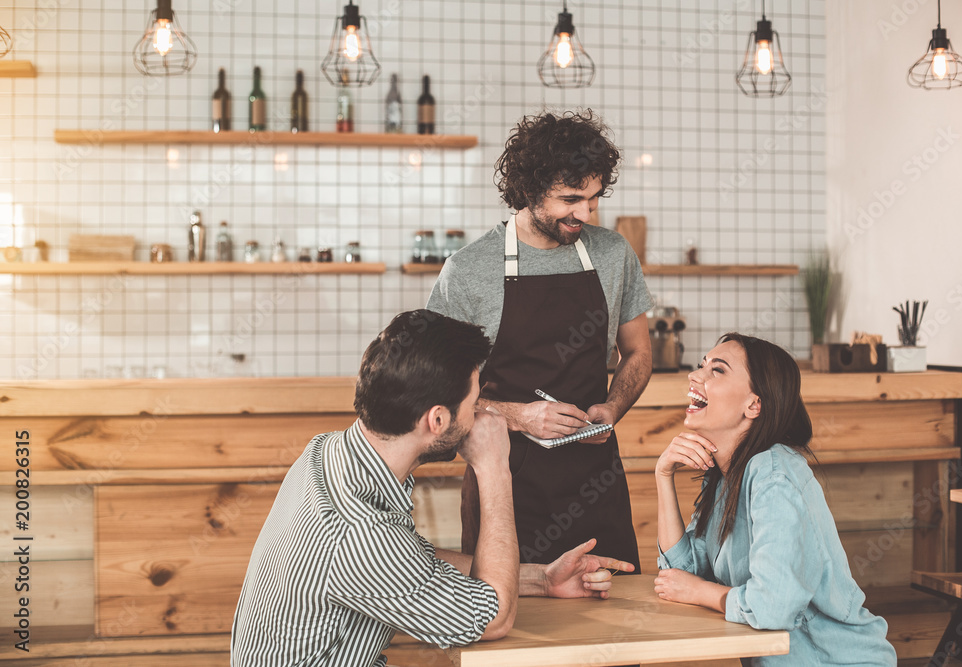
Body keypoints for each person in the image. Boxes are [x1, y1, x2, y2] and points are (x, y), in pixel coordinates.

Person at [231, 310, 633, 667]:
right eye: (476, 404)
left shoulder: (327, 452)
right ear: (437, 420)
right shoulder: (361, 534)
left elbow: (410, 561)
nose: (483, 415)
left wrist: (542, 579)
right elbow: (493, 620)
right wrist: (494, 469)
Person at [427, 110, 653, 569]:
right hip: (504, 482)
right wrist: (520, 416)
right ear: (528, 191)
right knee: (510, 619)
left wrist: (612, 408)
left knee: (613, 612)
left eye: (592, 199)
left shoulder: (613, 254)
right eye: (570, 199)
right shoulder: (469, 271)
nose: (584, 213)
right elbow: (435, 394)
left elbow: (638, 352)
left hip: (595, 480)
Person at [653, 333, 896, 666]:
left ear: (754, 404)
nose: (695, 376)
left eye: (718, 370)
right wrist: (662, 476)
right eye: (701, 366)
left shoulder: (773, 474)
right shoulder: (726, 478)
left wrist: (698, 592)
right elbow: (680, 574)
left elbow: (773, 605)